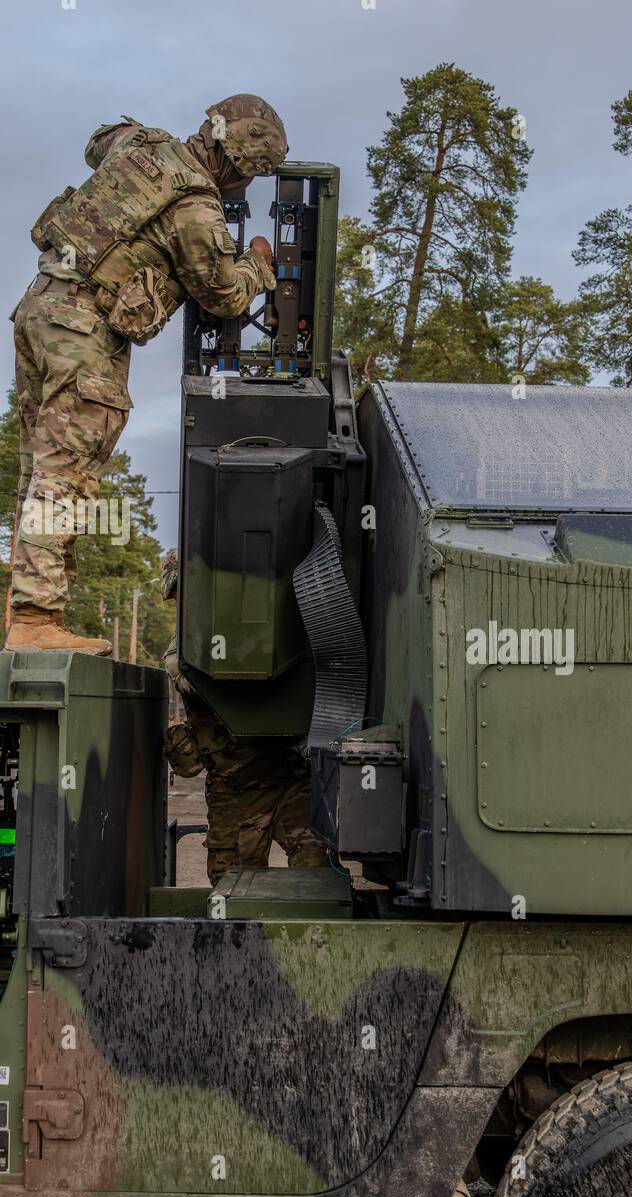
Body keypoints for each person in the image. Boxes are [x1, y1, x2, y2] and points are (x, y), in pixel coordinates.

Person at [6, 96, 287, 654]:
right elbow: (225, 294)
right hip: (83, 334)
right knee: (65, 474)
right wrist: (259, 263)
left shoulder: (143, 143)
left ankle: (26, 617)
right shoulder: (198, 209)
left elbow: (97, 141)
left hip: (39, 310)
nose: (240, 192)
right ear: (233, 162)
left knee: (39, 470)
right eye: (247, 178)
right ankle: (35, 622)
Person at [161, 551, 327, 888]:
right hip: (235, 791)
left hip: (290, 779)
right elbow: (193, 679)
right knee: (231, 891)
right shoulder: (183, 650)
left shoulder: (267, 624)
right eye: (176, 595)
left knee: (320, 883)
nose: (181, 602)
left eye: (184, 591)